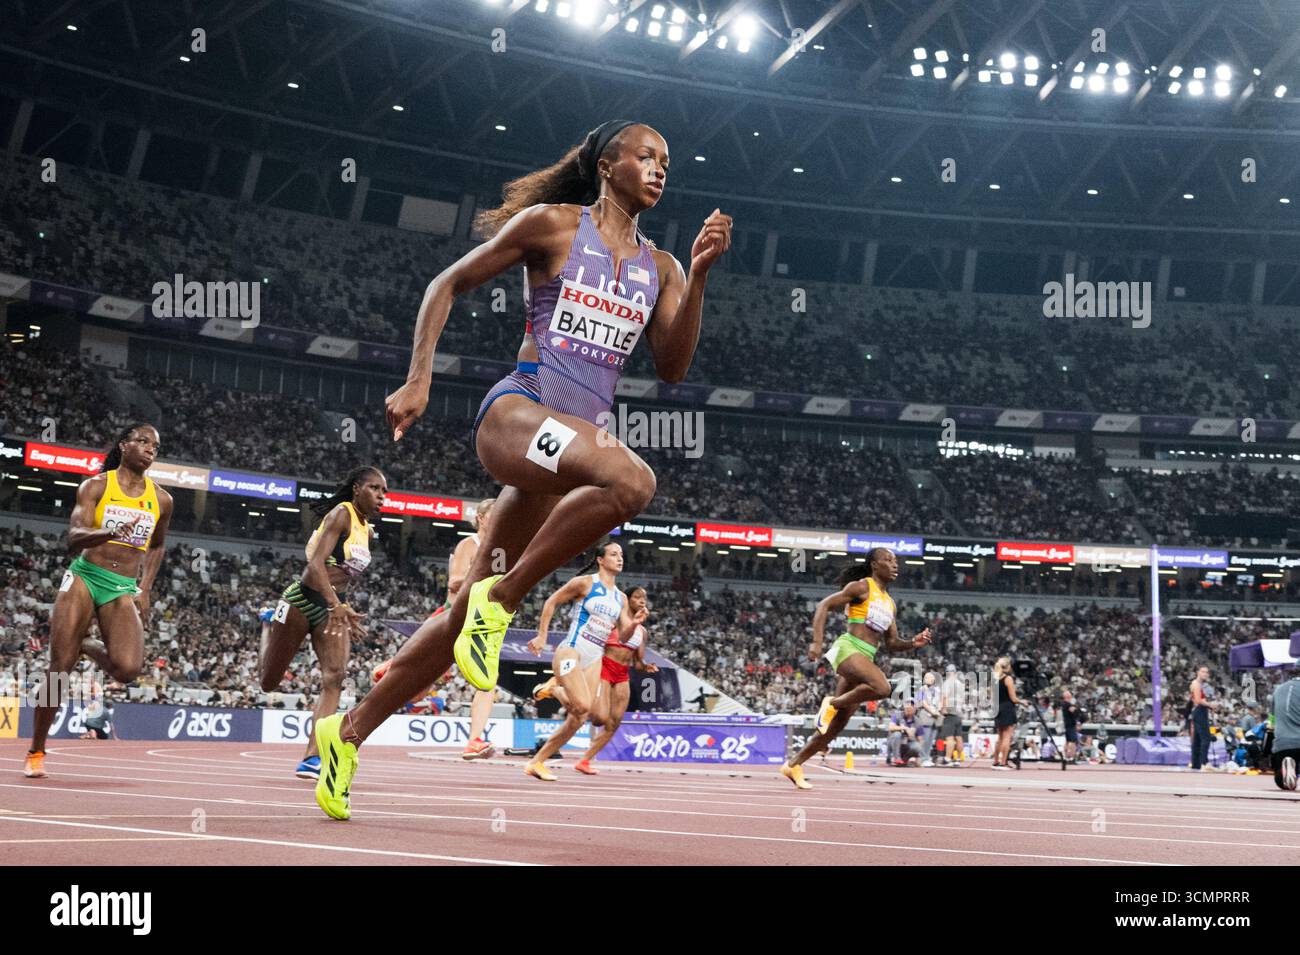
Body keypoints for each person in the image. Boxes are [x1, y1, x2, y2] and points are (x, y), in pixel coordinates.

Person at [311, 119, 731, 820]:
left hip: (564, 451)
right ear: (606, 164)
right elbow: (449, 281)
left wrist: (703, 276)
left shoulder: (663, 268)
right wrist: (419, 378)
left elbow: (673, 366)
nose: (661, 170)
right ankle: (502, 601)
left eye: (668, 162)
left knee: (454, 626)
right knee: (631, 482)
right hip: (518, 414)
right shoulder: (553, 226)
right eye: (647, 156)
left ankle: (345, 734)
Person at [24, 424, 173, 779]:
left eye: (155, 445)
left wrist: (146, 587)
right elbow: (73, 537)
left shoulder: (162, 499)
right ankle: (36, 749)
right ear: (124, 446)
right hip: (86, 576)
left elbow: (157, 545)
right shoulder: (96, 487)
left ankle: (86, 644)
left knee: (127, 669)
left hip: (121, 586)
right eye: (142, 441)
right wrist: (109, 531)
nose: (150, 448)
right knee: (59, 668)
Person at [259, 467, 384, 779]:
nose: (381, 496)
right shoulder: (341, 513)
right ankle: (265, 625)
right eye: (375, 488)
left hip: (332, 609)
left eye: (385, 492)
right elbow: (315, 565)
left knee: (335, 678)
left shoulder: (366, 531)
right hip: (301, 601)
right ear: (357, 488)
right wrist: (335, 603)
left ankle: (311, 758)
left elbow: (341, 575)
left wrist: (342, 605)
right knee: (268, 682)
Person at [779, 549, 932, 790]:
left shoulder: (889, 603)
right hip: (848, 649)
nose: (895, 565)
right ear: (874, 565)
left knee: (835, 727)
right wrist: (816, 642)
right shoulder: (862, 587)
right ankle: (832, 703)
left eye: (896, 561)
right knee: (882, 687)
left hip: (865, 657)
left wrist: (913, 642)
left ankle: (794, 764)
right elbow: (824, 605)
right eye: (888, 561)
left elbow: (892, 644)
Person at [374, 498, 500, 758]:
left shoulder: (501, 549)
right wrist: (488, 580)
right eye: (496, 512)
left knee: (487, 682)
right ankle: (391, 667)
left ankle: (475, 740)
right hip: (456, 616)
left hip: (482, 622)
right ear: (481, 517)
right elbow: (454, 582)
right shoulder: (469, 544)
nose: (502, 517)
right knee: (419, 684)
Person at [523, 541, 645, 780]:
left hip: (594, 657)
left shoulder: (620, 597)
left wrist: (635, 623)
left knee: (594, 716)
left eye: (621, 554)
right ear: (600, 559)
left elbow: (623, 635)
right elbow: (551, 602)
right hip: (572, 650)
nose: (619, 558)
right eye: (613, 554)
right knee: (582, 706)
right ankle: (555, 688)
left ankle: (536, 763)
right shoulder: (585, 583)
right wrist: (542, 635)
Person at [573, 586, 656, 774]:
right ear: (627, 599)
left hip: (622, 674)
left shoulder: (642, 631)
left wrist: (646, 667)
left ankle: (584, 761)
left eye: (645, 598)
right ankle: (558, 689)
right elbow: (608, 640)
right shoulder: (615, 620)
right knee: (598, 718)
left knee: (614, 722)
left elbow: (637, 663)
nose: (642, 601)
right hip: (604, 667)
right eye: (637, 597)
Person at [1271, 674, 1300, 791]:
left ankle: (1286, 774)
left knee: (1281, 781)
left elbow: (1271, 720)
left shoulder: (1278, 689)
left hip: (1281, 743)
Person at [991, 657, 1020, 770]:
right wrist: (1022, 702)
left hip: (997, 708)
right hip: (1007, 708)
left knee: (1000, 737)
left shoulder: (994, 679)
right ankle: (1004, 762)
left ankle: (996, 761)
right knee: (1007, 736)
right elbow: (1013, 698)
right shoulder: (1008, 679)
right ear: (1008, 667)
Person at [1189, 665, 1217, 771]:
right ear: (1198, 672)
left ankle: (1196, 763)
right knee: (1206, 738)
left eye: (1207, 672)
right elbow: (1197, 700)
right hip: (1199, 711)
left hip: (1200, 711)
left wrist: (1209, 704)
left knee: (1197, 739)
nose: (1205, 674)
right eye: (1203, 671)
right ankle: (1204, 762)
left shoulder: (1200, 685)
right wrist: (1210, 705)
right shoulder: (1196, 684)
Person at [939, 663, 965, 766]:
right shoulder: (960, 684)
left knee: (949, 737)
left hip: (950, 712)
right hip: (958, 713)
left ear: (948, 673)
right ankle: (958, 759)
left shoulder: (947, 683)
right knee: (958, 737)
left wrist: (944, 709)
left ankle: (948, 758)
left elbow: (945, 696)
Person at [916, 671, 941, 766]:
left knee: (931, 739)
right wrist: (931, 711)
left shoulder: (937, 690)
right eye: (926, 677)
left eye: (930, 677)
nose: (928, 679)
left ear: (934, 679)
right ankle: (923, 758)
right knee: (925, 739)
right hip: (925, 716)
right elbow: (922, 702)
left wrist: (938, 709)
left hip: (935, 717)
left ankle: (927, 757)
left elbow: (940, 701)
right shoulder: (921, 689)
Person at [888, 701, 923, 766]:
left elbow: (920, 739)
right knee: (897, 735)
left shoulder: (917, 721)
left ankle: (904, 760)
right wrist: (904, 728)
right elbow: (890, 727)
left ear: (914, 709)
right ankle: (897, 758)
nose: (908, 709)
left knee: (917, 747)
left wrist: (918, 757)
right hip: (894, 742)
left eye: (910, 708)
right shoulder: (897, 715)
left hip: (908, 743)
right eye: (906, 708)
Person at [1060, 688, 1081, 762]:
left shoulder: (1063, 704)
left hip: (1066, 725)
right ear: (1068, 697)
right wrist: (1077, 709)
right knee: (1073, 741)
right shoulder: (1068, 704)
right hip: (1070, 725)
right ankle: (1071, 757)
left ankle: (1065, 757)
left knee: (1068, 741)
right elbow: (1074, 711)